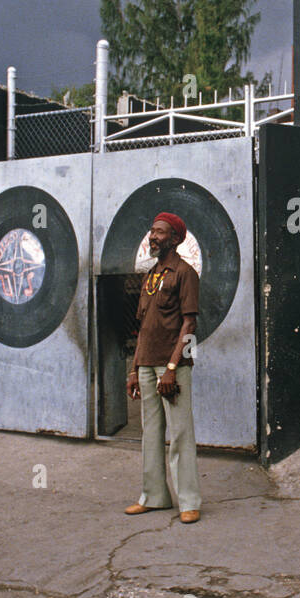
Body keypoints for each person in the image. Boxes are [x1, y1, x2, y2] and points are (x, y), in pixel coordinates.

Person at [125, 212, 202, 523]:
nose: (152, 237)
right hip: (146, 363)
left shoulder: (185, 274)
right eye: (151, 231)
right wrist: (134, 369)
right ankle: (154, 496)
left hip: (173, 366)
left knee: (181, 433)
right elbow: (143, 327)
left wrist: (172, 367)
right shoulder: (151, 276)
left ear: (175, 239)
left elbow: (190, 322)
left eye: (158, 232)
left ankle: (189, 502)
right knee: (151, 433)